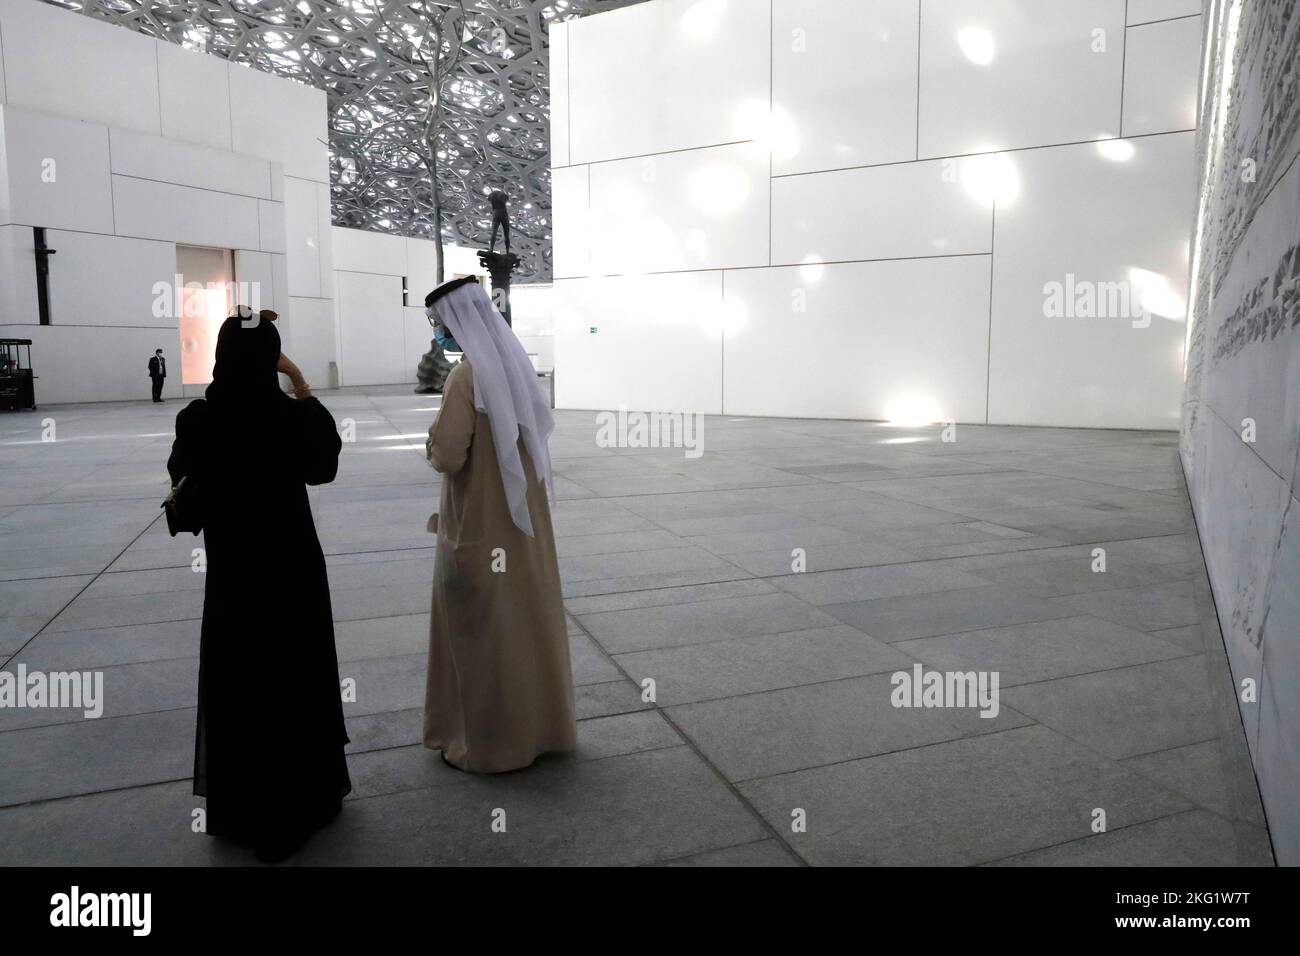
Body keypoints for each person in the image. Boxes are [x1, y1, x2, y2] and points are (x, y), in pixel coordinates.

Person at [166, 306, 350, 862]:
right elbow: (324, 467)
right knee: (296, 671)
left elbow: (183, 480)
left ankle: (245, 805)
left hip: (233, 572)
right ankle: (302, 798)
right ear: (272, 359)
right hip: (290, 566)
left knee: (240, 676)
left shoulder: (197, 419)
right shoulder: (289, 416)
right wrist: (298, 383)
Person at [423, 277, 576, 772]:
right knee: (525, 621)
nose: (439, 334)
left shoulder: (467, 377)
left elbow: (448, 455)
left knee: (481, 629)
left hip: (481, 520)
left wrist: (428, 443)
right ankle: (540, 731)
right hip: (525, 523)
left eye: (439, 325)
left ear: (455, 323)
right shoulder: (513, 366)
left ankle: (487, 744)